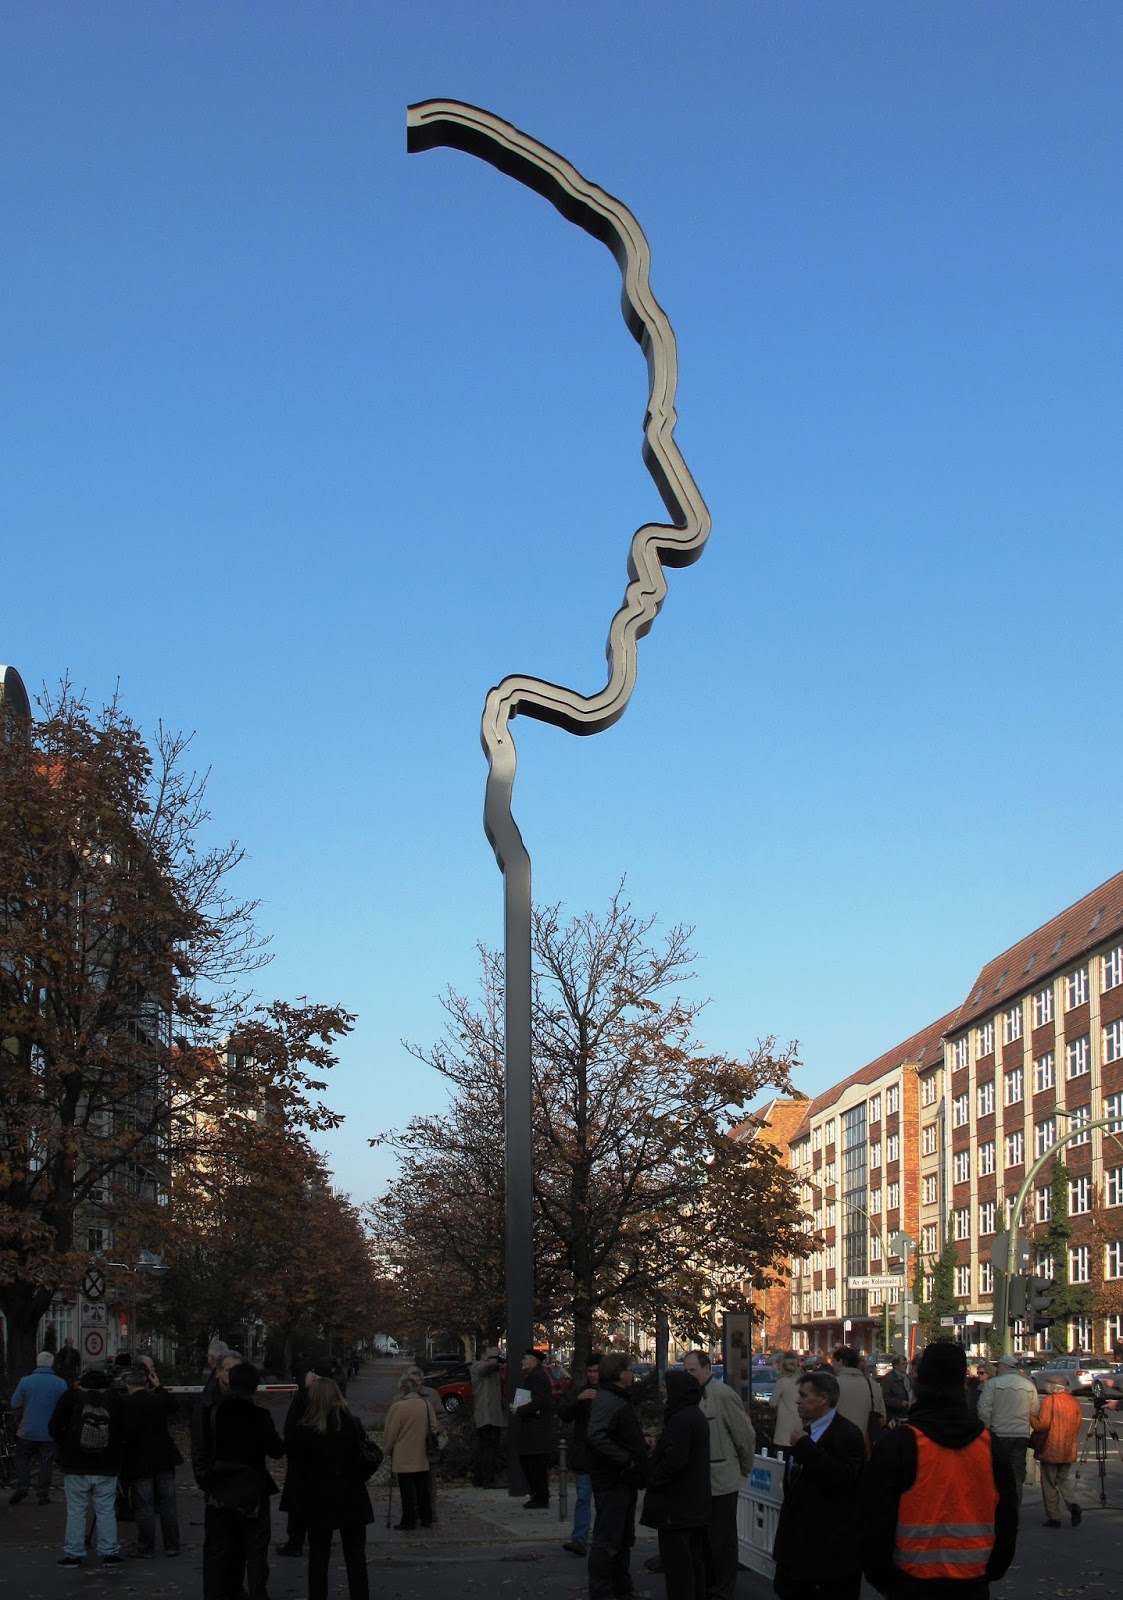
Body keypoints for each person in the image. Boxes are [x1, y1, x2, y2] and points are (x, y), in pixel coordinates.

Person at [859, 1341, 1018, 1599]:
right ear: (962, 1385)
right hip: (972, 1582)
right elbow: (1008, 1514)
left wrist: (883, 1579)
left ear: (920, 1382)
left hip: (910, 1582)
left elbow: (873, 1519)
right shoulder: (989, 1445)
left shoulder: (900, 1443)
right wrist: (994, 1568)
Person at [192, 1361, 285, 1600]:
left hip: (220, 1489)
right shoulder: (259, 1416)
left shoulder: (214, 1412)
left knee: (217, 1550)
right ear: (254, 1387)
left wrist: (206, 1480)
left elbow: (202, 1448)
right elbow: (276, 1450)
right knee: (255, 1551)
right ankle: (256, 1592)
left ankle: (216, 1593)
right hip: (252, 1490)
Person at [772, 1369, 866, 1599]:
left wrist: (806, 1449)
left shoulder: (846, 1434)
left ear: (823, 1398)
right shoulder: (806, 1431)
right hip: (796, 1552)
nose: (798, 1400)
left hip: (828, 1557)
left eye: (804, 1395)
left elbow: (842, 1477)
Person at [285, 1377, 373, 1600]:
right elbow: (360, 1458)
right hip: (350, 1495)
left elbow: (298, 1466)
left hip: (318, 1497)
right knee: (355, 1558)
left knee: (318, 1557)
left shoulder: (304, 1429)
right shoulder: (351, 1424)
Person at [683, 1349, 756, 1600]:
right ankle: (708, 1586)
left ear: (707, 1369)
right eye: (686, 1371)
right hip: (699, 1483)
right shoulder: (690, 1397)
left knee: (722, 1541)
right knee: (703, 1541)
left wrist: (743, 1468)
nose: (689, 1376)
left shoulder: (723, 1395)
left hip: (722, 1481)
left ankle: (723, 1591)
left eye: (692, 1371)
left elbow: (744, 1436)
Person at [639, 1370, 710, 1600]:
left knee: (679, 1568)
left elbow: (674, 1461)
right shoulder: (693, 1415)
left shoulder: (682, 1419)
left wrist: (652, 1478)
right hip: (690, 1505)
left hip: (677, 1507)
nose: (663, 1393)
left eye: (667, 1388)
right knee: (692, 1564)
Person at [49, 1367, 128, 1568]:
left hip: (75, 1463)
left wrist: (66, 1444)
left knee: (76, 1510)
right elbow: (125, 1429)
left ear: (82, 1383)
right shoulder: (115, 1400)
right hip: (107, 1464)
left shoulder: (71, 1398)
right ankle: (109, 1552)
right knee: (106, 1509)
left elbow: (54, 1427)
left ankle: (73, 1554)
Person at [586, 1351, 649, 1600]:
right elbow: (596, 1435)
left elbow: (611, 1432)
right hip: (613, 1480)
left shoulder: (615, 1398)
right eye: (630, 1370)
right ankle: (603, 1592)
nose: (633, 1375)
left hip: (621, 1479)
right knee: (609, 1540)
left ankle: (621, 1589)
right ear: (619, 1374)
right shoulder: (609, 1400)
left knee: (621, 1539)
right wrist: (625, 1459)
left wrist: (638, 1444)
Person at [121, 1360, 181, 1556]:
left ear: (128, 1385)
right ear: (147, 1383)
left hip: (140, 1460)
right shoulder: (158, 1400)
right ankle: (172, 1545)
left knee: (144, 1505)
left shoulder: (126, 1405)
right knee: (168, 1504)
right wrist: (160, 1386)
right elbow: (174, 1406)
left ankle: (146, 1546)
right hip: (164, 1457)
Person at [277, 1361, 335, 1557]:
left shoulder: (302, 1398)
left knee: (298, 1503)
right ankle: (315, 1539)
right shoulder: (332, 1400)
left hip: (301, 1462)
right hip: (322, 1463)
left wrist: (291, 1450)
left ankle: (295, 1541)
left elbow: (290, 1428)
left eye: (310, 1375)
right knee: (316, 1503)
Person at [8, 1351, 68, 1507]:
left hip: (27, 1430)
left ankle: (22, 1485)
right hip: (49, 1432)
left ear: (37, 1362)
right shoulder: (60, 1383)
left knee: (22, 1457)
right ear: (52, 1364)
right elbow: (65, 1407)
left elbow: (15, 1403)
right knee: (46, 1461)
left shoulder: (25, 1381)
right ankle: (43, 1494)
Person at [977, 1354, 1036, 1506]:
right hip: (1021, 1434)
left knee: (997, 1473)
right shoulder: (1029, 1385)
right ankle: (1014, 1511)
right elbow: (1034, 1411)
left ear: (1003, 1367)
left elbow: (983, 1408)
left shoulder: (994, 1384)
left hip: (999, 1434)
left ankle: (998, 1509)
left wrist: (987, 1427)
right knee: (1016, 1475)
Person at [558, 1352, 601, 1555]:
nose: (593, 1375)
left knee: (601, 1500)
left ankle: (601, 1537)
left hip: (602, 1455)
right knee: (584, 1497)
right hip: (585, 1454)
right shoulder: (581, 1393)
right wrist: (578, 1399)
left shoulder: (610, 1393)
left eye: (596, 1371)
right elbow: (565, 1414)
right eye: (590, 1371)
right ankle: (579, 1538)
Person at [383, 1373, 437, 1529]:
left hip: (403, 1455)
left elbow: (391, 1433)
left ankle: (409, 1520)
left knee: (407, 1491)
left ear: (403, 1391)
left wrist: (386, 1450)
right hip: (422, 1454)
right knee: (423, 1489)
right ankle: (426, 1518)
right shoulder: (426, 1404)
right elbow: (434, 1427)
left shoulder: (397, 1407)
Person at [1028, 1374, 1083, 1529]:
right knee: (1062, 1479)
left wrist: (1030, 1417)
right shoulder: (1074, 1402)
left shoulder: (1050, 1401)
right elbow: (1077, 1426)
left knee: (1049, 1483)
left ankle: (1054, 1517)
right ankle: (1073, 1504)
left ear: (1052, 1387)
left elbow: (1042, 1425)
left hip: (1051, 1448)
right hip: (1068, 1448)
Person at [511, 1347, 553, 1509]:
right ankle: (540, 1495)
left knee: (533, 1463)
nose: (522, 1361)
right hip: (534, 1427)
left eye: (525, 1358)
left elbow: (539, 1401)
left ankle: (541, 1496)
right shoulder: (535, 1376)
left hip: (535, 1429)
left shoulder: (537, 1377)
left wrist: (520, 1409)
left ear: (532, 1361)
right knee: (531, 1462)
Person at [833, 1345, 887, 1449]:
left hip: (837, 1444)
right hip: (866, 1444)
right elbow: (881, 1416)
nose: (832, 1366)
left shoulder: (832, 1384)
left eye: (833, 1362)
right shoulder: (873, 1385)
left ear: (840, 1361)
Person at [470, 1345, 507, 1487]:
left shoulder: (491, 1371)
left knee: (485, 1447)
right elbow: (488, 1367)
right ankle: (487, 1478)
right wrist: (494, 1356)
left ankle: (480, 1478)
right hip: (487, 1416)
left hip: (490, 1415)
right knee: (488, 1448)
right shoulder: (477, 1368)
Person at [769, 1354, 804, 1452]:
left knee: (784, 1454)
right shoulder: (802, 1382)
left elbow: (772, 1403)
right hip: (799, 1422)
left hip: (784, 1425)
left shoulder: (782, 1382)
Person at [880, 1357, 913, 1428]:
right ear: (896, 1365)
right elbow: (884, 1397)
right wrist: (900, 1403)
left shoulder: (908, 1378)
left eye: (906, 1363)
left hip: (906, 1414)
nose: (905, 1365)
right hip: (894, 1416)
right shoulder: (888, 1379)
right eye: (903, 1364)